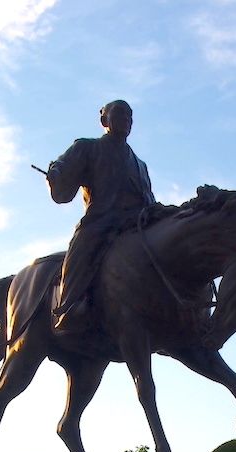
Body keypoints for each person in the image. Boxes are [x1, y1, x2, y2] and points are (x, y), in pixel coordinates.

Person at [44, 99, 156, 332]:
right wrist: (56, 174)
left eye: (130, 116)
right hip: (102, 222)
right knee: (82, 246)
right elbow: (63, 180)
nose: (126, 119)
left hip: (137, 224)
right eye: (119, 114)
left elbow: (148, 200)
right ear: (104, 119)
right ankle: (70, 304)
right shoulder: (87, 147)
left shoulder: (140, 165)